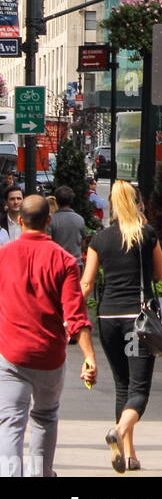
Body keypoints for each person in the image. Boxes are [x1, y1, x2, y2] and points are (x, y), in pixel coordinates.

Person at [0, 193, 97, 477]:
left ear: (20, 221)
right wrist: (89, 356)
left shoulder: (3, 257)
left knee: (10, 422)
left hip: (11, 354)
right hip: (50, 356)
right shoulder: (64, 261)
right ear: (49, 221)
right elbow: (75, 315)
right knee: (44, 417)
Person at [81, 180, 162, 474]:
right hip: (137, 320)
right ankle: (119, 431)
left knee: (122, 385)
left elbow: (87, 281)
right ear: (137, 203)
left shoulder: (100, 239)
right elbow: (161, 273)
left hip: (108, 320)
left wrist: (70, 314)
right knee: (139, 389)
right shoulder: (146, 234)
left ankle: (129, 455)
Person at [49, 186, 86, 272]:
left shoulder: (50, 220)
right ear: (71, 201)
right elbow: (83, 243)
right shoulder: (79, 219)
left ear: (56, 201)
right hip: (76, 263)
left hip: (57, 263)